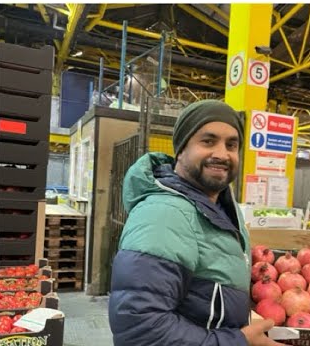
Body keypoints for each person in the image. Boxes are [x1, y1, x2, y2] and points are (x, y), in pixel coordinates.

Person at [108, 99, 284, 346]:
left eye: (231, 145)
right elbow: (140, 331)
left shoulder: (219, 209)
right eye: (208, 141)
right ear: (181, 150)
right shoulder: (164, 214)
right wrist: (238, 341)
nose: (222, 154)